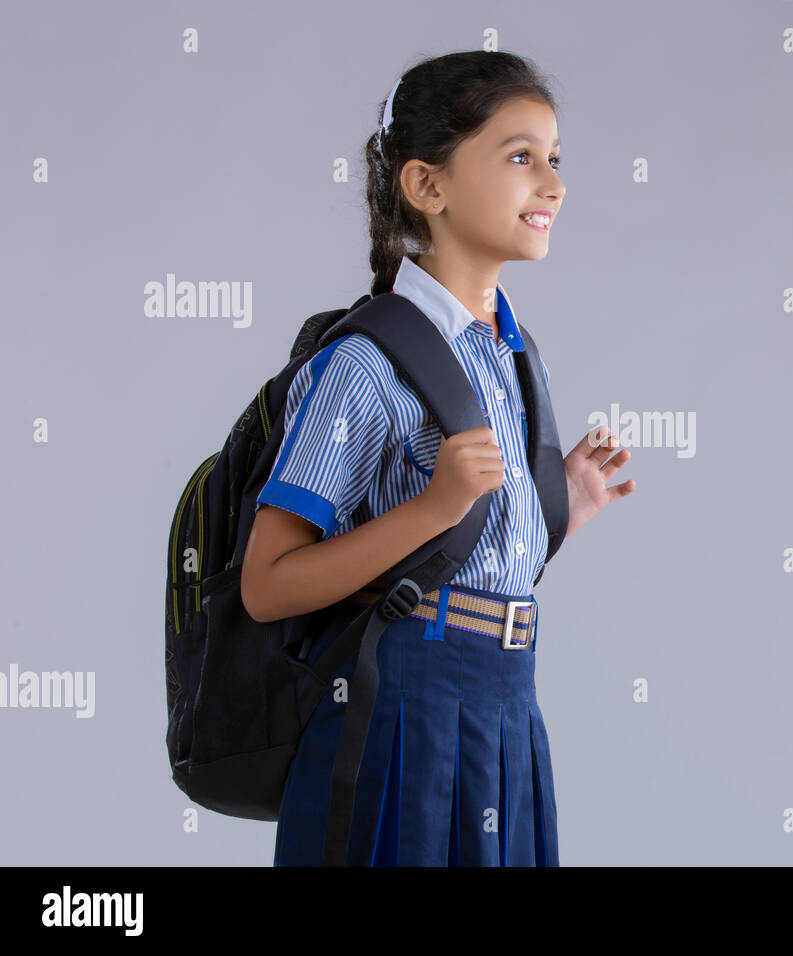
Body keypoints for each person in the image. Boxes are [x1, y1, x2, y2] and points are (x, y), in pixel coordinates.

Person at [240, 50, 636, 866]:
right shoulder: (363, 365)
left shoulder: (519, 358)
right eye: (520, 156)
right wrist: (434, 508)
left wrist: (555, 505)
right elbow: (268, 583)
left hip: (507, 706)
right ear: (427, 185)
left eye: (554, 159)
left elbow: (463, 564)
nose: (553, 185)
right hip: (401, 713)